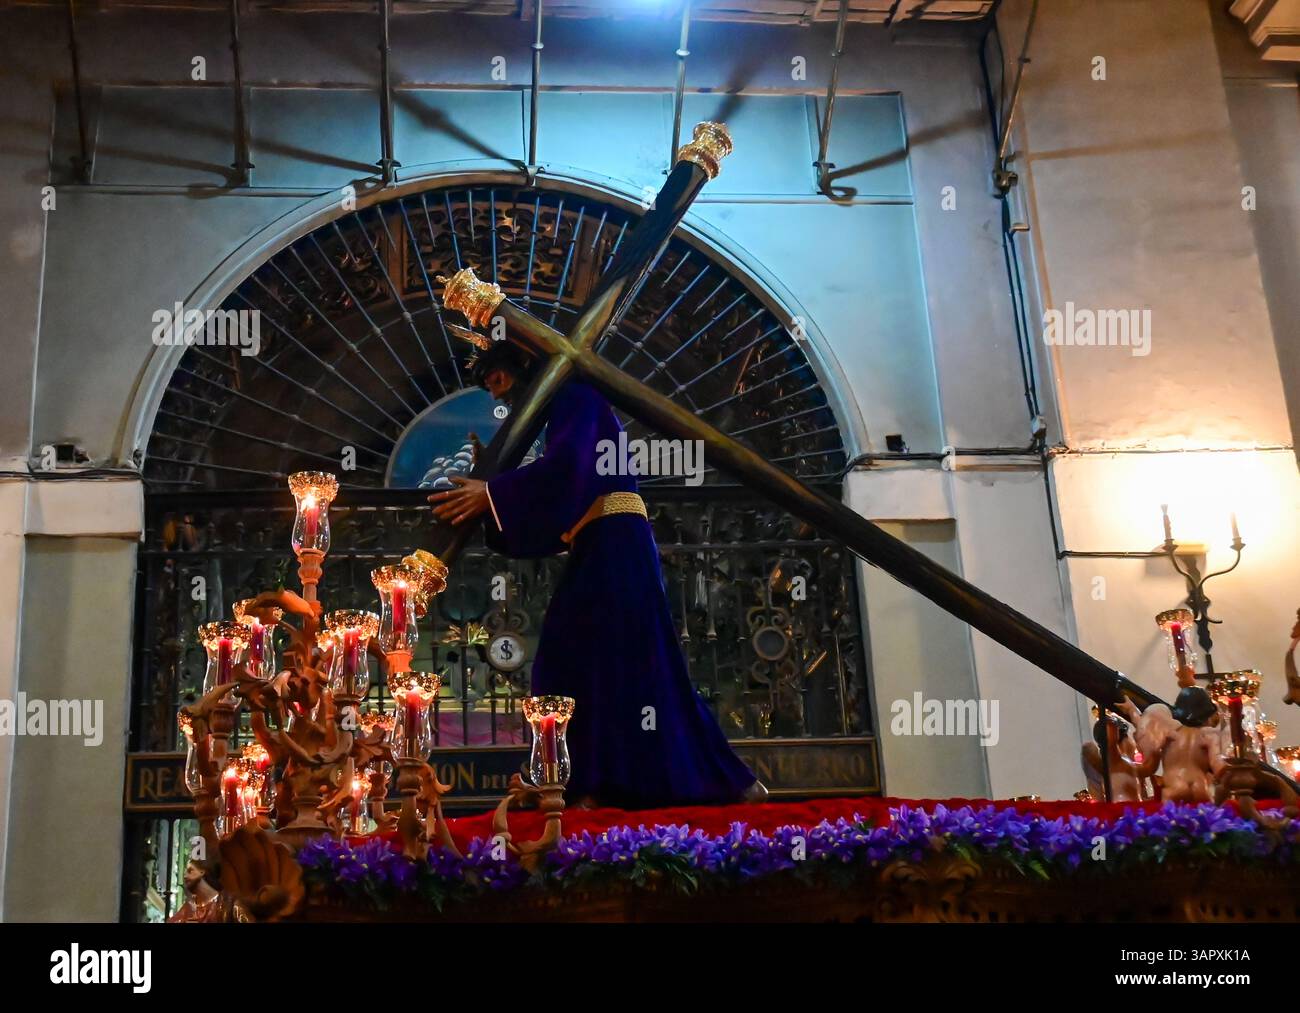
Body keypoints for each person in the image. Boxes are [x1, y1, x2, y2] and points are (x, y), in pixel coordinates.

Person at [430, 339, 767, 809]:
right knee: (606, 661)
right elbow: (565, 489)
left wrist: (494, 494)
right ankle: (599, 782)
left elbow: (567, 469)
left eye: (499, 381)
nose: (497, 395)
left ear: (523, 364)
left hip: (614, 545)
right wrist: (500, 491)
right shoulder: (565, 412)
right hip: (603, 544)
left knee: (580, 657)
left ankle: (596, 782)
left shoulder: (577, 398)